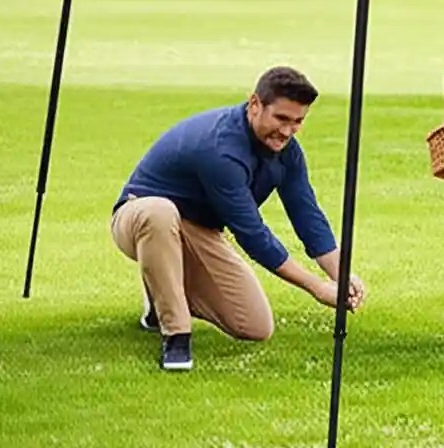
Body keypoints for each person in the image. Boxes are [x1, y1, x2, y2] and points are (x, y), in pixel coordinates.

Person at [110, 66, 365, 371]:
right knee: (161, 214)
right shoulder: (221, 148)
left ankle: (161, 294)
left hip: (198, 229)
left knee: (255, 326)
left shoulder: (288, 153)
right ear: (254, 104)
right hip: (139, 215)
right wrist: (315, 286)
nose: (287, 131)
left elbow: (307, 216)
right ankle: (176, 335)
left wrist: (340, 275)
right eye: (281, 118)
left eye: (298, 122)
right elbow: (252, 234)